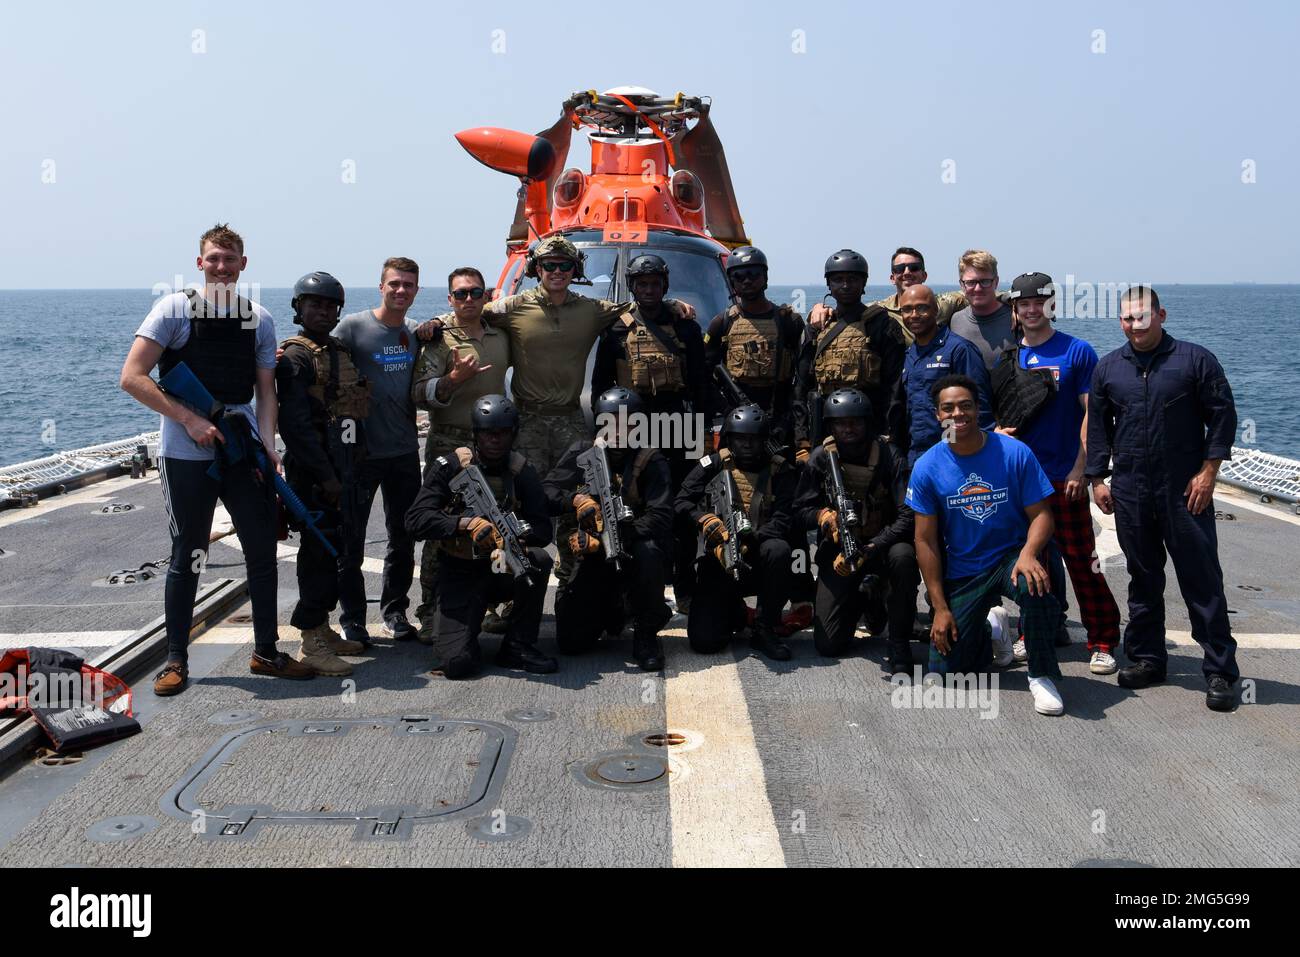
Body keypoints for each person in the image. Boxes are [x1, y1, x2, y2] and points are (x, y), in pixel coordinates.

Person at [120, 223, 314, 694]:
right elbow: (133, 376)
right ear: (199, 263)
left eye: (230, 259)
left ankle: (266, 651)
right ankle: (175, 661)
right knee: (188, 552)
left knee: (261, 548)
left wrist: (269, 445)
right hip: (185, 450)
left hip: (241, 447)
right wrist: (187, 420)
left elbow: (266, 393)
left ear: (243, 265)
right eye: (214, 258)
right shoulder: (174, 310)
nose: (222, 267)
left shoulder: (260, 320)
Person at [1087, 286, 1239, 711]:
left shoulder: (1195, 361)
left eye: (1142, 316)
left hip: (1185, 490)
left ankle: (1221, 672)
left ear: (1161, 315)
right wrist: (1097, 478)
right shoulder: (1108, 369)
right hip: (1132, 489)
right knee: (1143, 577)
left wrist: (1209, 473)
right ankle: (1149, 659)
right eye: (1126, 317)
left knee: (1201, 579)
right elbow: (1098, 426)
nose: (1134, 324)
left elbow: (1223, 418)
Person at [906, 375, 1066, 716]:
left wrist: (1028, 553)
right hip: (965, 568)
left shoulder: (1013, 451)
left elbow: (1042, 516)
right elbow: (924, 540)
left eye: (966, 405)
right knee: (946, 674)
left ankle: (1041, 676)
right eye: (948, 408)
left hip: (1011, 557)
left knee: (1033, 585)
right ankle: (991, 628)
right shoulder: (927, 466)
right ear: (937, 415)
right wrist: (940, 608)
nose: (958, 414)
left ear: (978, 409)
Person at [1000, 272, 1121, 673]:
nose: (1032, 310)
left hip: (1063, 476)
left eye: (1040, 302)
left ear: (1052, 304)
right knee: (1032, 561)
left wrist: (1081, 469)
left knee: (1082, 560)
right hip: (1022, 480)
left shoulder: (1077, 351)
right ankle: (1031, 632)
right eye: (1024, 304)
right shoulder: (1008, 356)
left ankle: (1103, 638)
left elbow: (1093, 414)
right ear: (1015, 309)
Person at [404, 395, 557, 679]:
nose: (495, 440)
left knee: (538, 559)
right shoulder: (451, 466)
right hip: (460, 570)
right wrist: (466, 524)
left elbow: (543, 528)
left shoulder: (521, 469)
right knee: (457, 665)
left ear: (513, 434)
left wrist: (516, 534)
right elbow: (415, 520)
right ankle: (464, 633)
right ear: (476, 434)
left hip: (503, 568)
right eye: (488, 433)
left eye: (503, 433)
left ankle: (518, 644)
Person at [591, 253, 708, 613]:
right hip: (633, 427)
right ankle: (635, 591)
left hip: (680, 423)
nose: (649, 290)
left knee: (682, 508)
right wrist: (607, 436)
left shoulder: (685, 326)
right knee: (634, 506)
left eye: (655, 283)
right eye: (642, 284)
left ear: (665, 285)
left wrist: (701, 434)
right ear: (633, 286)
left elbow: (701, 384)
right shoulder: (616, 329)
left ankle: (686, 588)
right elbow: (601, 389)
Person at [275, 271, 372, 676]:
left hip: (346, 467)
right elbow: (294, 426)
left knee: (342, 551)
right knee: (319, 553)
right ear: (299, 308)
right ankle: (311, 637)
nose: (323, 311)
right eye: (314, 303)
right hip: (315, 475)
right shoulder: (296, 357)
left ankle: (323, 626)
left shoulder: (336, 349)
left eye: (331, 305)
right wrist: (326, 478)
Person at [409, 266, 510, 642]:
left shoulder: (502, 332)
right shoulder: (438, 337)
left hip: (492, 442)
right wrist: (453, 380)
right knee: (441, 527)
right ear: (450, 298)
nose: (469, 299)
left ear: (487, 295)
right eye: (461, 294)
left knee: (495, 520)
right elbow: (418, 393)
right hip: (448, 440)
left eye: (476, 292)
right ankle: (428, 611)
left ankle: (489, 604)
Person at [545, 388, 674, 671]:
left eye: (629, 422)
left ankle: (646, 631)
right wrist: (576, 500)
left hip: (630, 553)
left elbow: (662, 515)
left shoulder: (650, 459)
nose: (620, 429)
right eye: (611, 421)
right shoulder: (582, 452)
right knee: (571, 644)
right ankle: (611, 609)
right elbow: (547, 491)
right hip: (588, 554)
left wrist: (620, 536)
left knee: (651, 552)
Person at [332, 256, 426, 644]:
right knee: (350, 538)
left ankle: (394, 611)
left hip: (404, 451)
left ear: (416, 290)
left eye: (408, 285)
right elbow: (320, 351)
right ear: (381, 287)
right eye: (394, 284)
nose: (401, 290)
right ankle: (352, 617)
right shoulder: (354, 327)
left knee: (403, 537)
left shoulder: (418, 333)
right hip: (360, 454)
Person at [794, 390, 920, 672]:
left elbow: (908, 515)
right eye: (840, 423)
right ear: (830, 426)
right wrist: (824, 517)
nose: (848, 429)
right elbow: (799, 510)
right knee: (829, 646)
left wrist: (875, 545)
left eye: (855, 422)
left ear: (867, 423)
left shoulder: (890, 455)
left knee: (904, 557)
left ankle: (899, 642)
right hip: (840, 552)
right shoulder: (820, 458)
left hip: (882, 546)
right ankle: (867, 597)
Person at [676, 404, 801, 661]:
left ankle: (765, 627)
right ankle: (735, 611)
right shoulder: (712, 464)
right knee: (705, 642)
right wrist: (704, 520)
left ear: (764, 441)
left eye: (753, 439)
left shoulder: (780, 470)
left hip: (758, 558)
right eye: (740, 438)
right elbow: (681, 502)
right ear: (729, 439)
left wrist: (751, 539)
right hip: (718, 558)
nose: (746, 445)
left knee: (779, 549)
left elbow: (784, 519)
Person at [796, 249, 907, 445]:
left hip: (870, 427)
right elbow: (803, 385)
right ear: (829, 284)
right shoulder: (817, 327)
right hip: (825, 428)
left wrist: (892, 435)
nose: (845, 285)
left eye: (853, 279)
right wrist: (801, 437)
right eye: (838, 279)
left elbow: (894, 387)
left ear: (864, 283)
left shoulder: (882, 325)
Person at [704, 246, 805, 447]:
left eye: (753, 274)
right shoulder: (722, 323)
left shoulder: (789, 322)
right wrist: (727, 411)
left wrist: (795, 425)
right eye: (739, 276)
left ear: (765, 277)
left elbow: (802, 378)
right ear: (731, 282)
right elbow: (705, 377)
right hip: (737, 421)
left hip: (780, 420)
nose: (747, 280)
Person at [890, 285, 993, 468]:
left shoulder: (959, 350)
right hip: (917, 458)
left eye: (922, 307)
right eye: (907, 309)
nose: (914, 315)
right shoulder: (908, 356)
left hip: (955, 455)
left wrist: (979, 453)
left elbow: (981, 406)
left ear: (936, 309)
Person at [948, 249, 1016, 372]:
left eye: (985, 281)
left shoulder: (1015, 317)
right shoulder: (955, 320)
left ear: (996, 282)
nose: (978, 288)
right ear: (962, 285)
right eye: (971, 282)